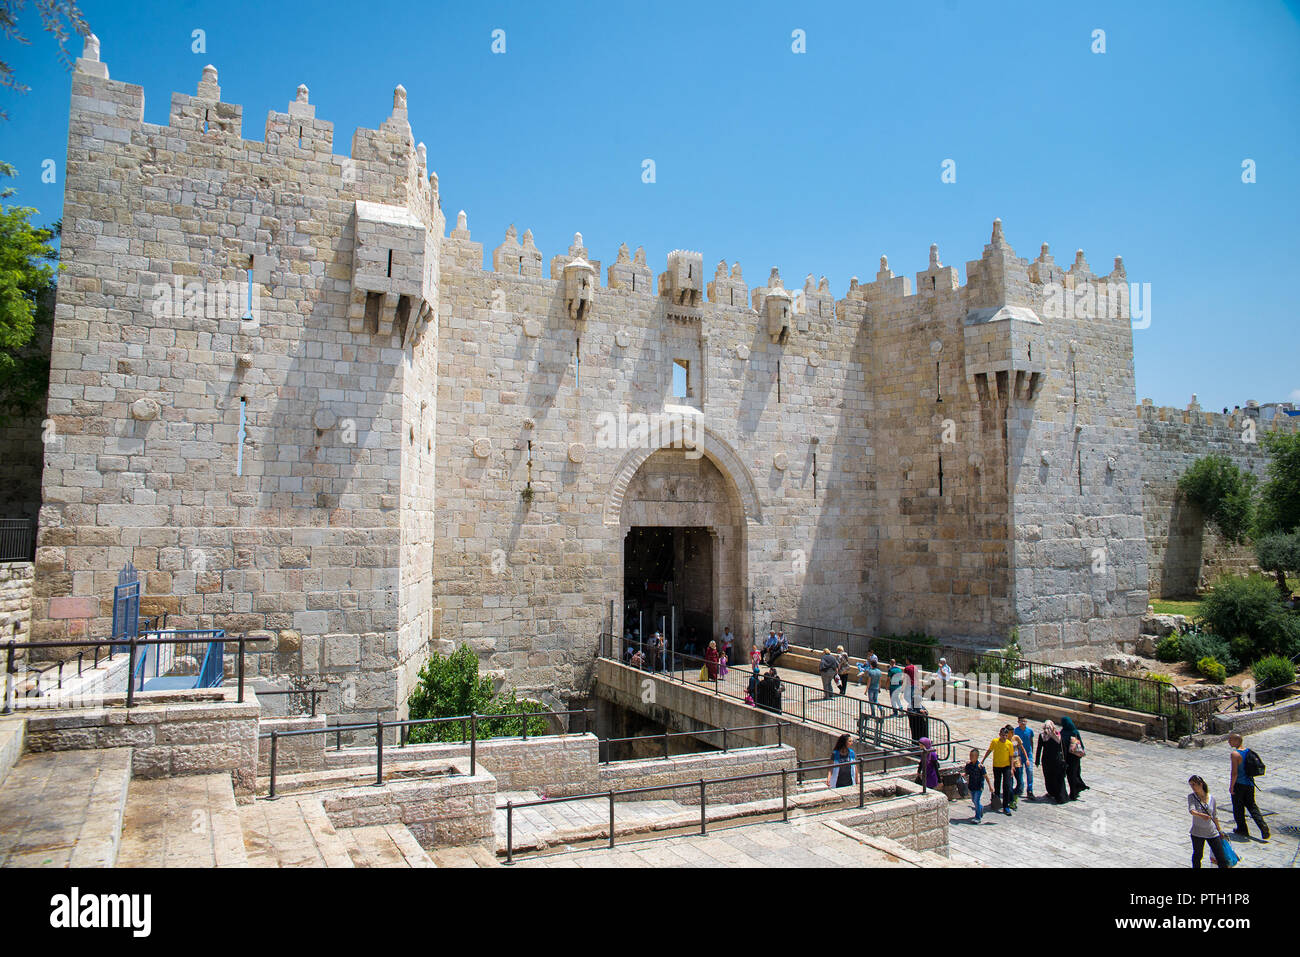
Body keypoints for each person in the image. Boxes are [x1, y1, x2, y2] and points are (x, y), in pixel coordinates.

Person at [1228, 733, 1270, 840]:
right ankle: (1263, 826)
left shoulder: (1235, 754)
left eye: (1231, 740)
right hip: (1250, 784)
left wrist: (1231, 786)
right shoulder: (1248, 751)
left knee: (1238, 807)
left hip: (1239, 784)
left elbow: (1234, 773)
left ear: (1237, 741)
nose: (1229, 741)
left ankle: (1242, 829)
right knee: (1252, 806)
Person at [1188, 775, 1231, 869]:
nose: (1193, 787)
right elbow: (1191, 810)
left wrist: (1220, 830)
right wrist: (1202, 815)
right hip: (1197, 832)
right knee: (1198, 856)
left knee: (1221, 858)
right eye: (1191, 785)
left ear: (1201, 784)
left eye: (1194, 784)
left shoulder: (1211, 798)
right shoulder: (1192, 797)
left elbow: (1215, 816)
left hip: (1212, 832)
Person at [982, 726, 1017, 815]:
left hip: (1006, 767)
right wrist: (983, 760)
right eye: (1002, 735)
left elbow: (1011, 756)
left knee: (1006, 785)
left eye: (1005, 735)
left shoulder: (1009, 744)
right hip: (997, 766)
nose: (1004, 737)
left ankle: (1006, 806)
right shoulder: (995, 742)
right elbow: (989, 750)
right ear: (999, 735)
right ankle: (996, 802)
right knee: (997, 784)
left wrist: (1012, 768)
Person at [1035, 720, 1068, 804]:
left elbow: (1039, 749)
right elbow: (1039, 749)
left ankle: (1057, 795)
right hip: (1052, 760)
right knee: (1053, 778)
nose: (1047, 730)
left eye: (1048, 728)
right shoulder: (1055, 735)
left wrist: (1037, 760)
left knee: (1053, 778)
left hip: (1051, 761)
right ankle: (1056, 794)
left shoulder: (1049, 736)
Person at [1059, 715, 1088, 801]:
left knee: (1069, 775)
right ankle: (1075, 791)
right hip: (1075, 758)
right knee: (1075, 774)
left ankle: (1075, 791)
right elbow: (1081, 745)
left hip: (1067, 758)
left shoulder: (1062, 733)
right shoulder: (1075, 732)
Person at [1012, 717, 1035, 800]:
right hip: (1019, 755)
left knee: (1029, 771)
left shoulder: (1030, 731)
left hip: (1028, 754)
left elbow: (1031, 741)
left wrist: (1031, 752)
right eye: (1021, 721)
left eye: (1025, 721)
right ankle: (1020, 787)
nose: (1023, 723)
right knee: (1020, 772)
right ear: (1018, 722)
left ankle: (1030, 789)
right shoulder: (1015, 731)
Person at [964, 748, 987, 822]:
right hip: (972, 786)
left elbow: (986, 776)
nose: (971, 757)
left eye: (972, 756)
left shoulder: (980, 766)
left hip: (979, 786)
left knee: (976, 801)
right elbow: (967, 773)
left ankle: (978, 817)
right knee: (974, 800)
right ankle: (980, 808)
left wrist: (990, 786)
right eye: (970, 756)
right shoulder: (969, 765)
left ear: (976, 757)